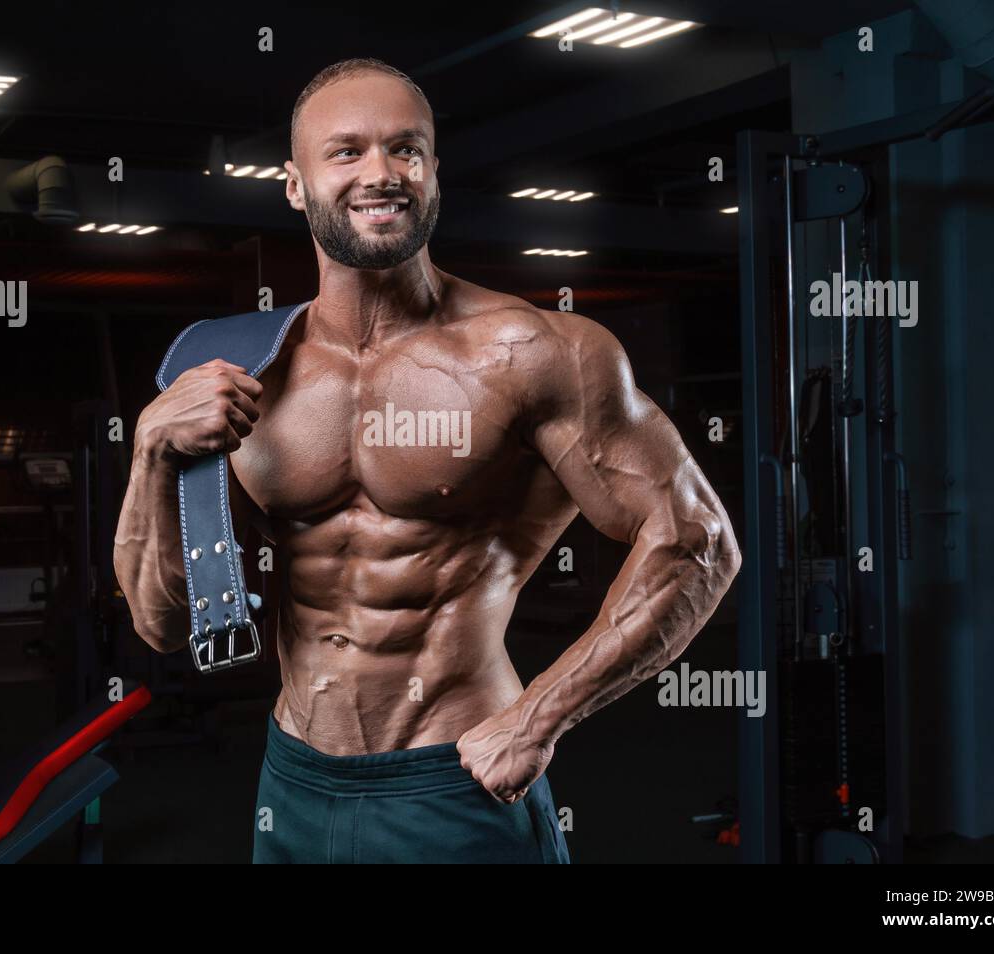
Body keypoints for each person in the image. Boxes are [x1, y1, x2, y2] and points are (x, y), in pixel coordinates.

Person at [113, 58, 741, 864]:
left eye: (404, 149)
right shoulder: (241, 366)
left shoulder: (533, 353)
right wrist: (151, 450)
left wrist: (537, 719)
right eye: (347, 151)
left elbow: (696, 541)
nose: (381, 173)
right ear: (296, 185)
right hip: (293, 784)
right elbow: (163, 625)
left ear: (433, 172)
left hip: (454, 781)